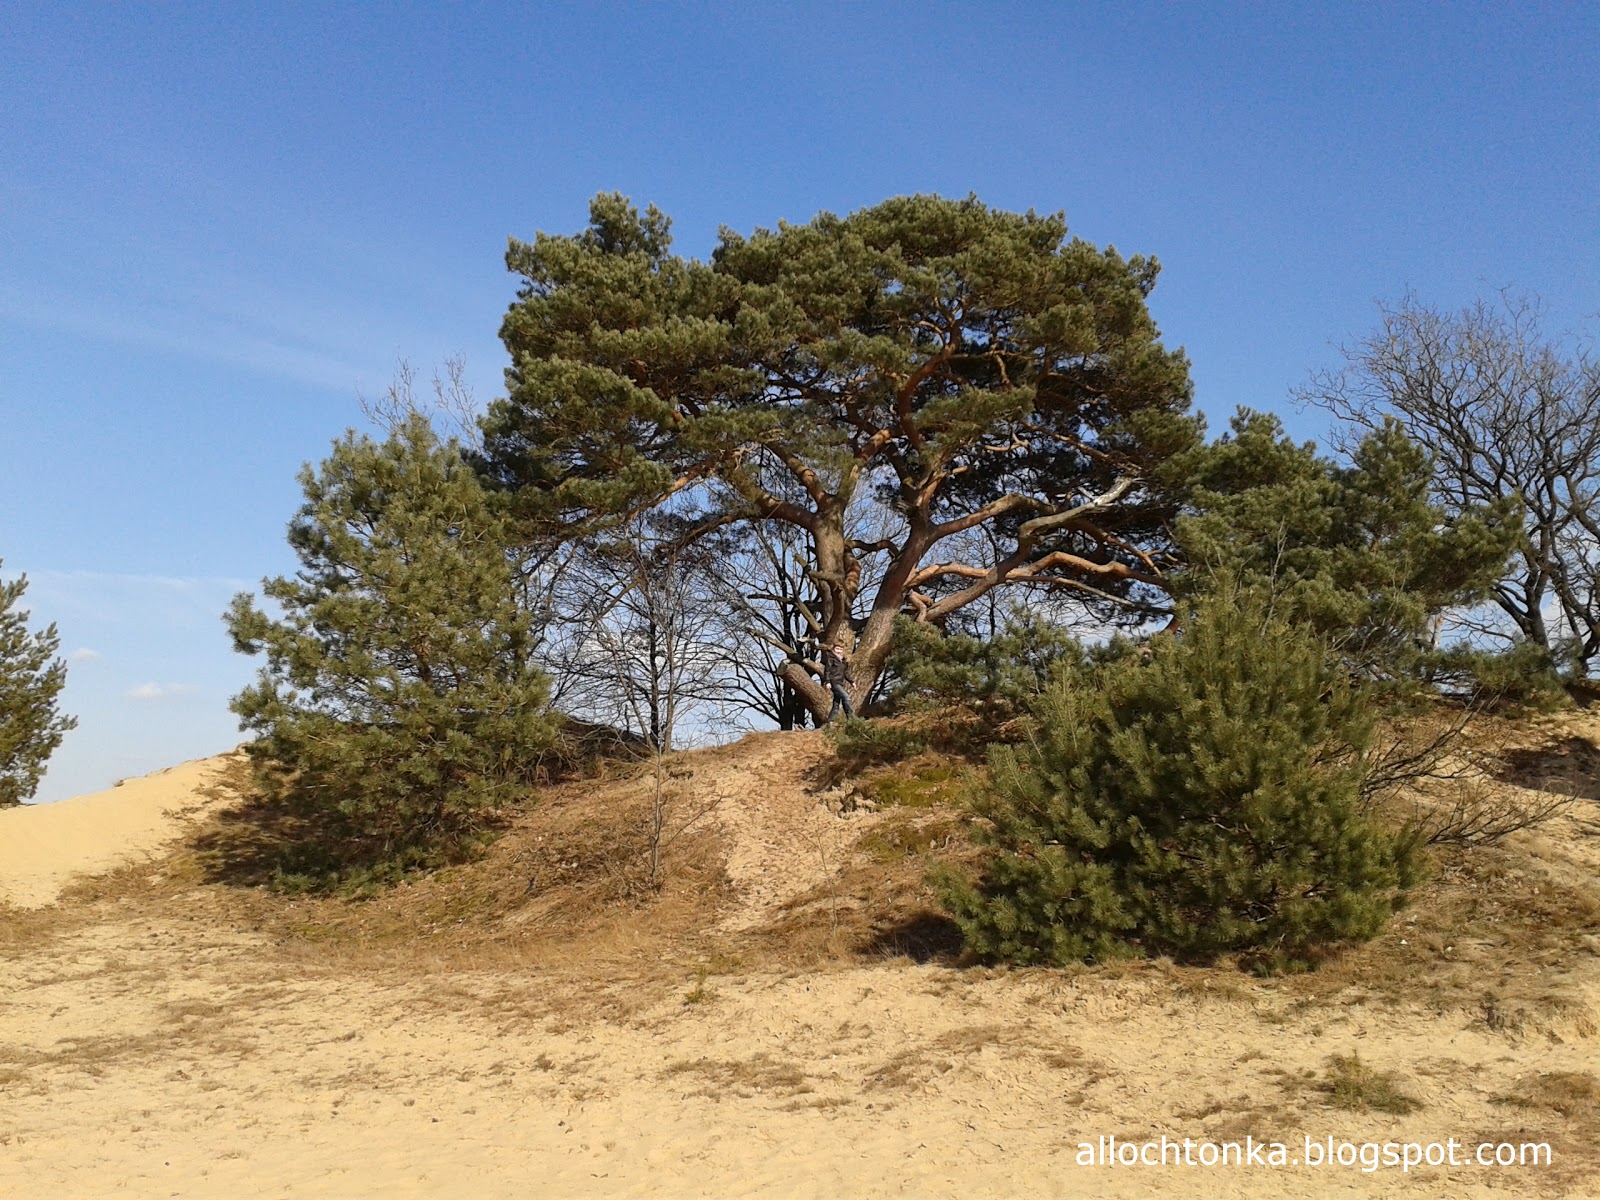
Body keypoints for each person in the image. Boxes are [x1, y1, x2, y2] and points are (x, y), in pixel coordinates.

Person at [820, 640, 855, 723]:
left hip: (840, 683)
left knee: (836, 703)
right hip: (833, 682)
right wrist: (827, 682)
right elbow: (827, 671)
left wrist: (852, 682)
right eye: (837, 649)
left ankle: (830, 721)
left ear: (843, 650)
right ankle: (851, 718)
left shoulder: (843, 661)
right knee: (846, 697)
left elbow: (845, 673)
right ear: (834, 648)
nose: (839, 651)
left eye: (840, 649)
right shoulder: (831, 659)